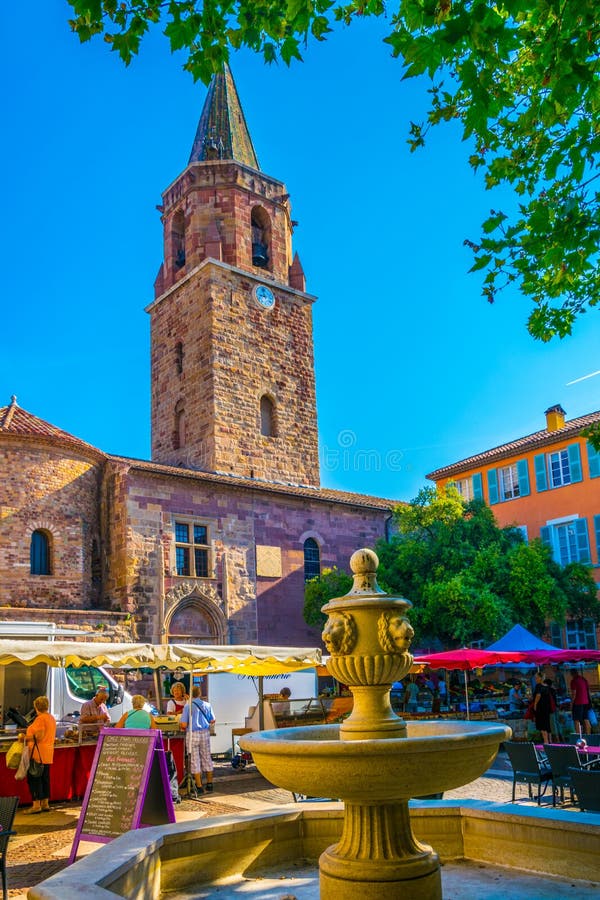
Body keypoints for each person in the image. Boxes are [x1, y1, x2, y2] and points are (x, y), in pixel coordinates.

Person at [19, 695, 56, 814]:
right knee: (45, 778)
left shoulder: (40, 719)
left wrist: (25, 737)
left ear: (36, 707)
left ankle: (36, 806)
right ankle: (45, 803)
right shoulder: (50, 718)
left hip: (37, 753)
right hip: (47, 753)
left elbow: (39, 735)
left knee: (35, 779)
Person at [179, 686, 215, 793]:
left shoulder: (187, 706)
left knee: (195, 759)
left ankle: (199, 787)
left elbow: (184, 724)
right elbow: (213, 720)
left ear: (190, 694)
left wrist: (181, 725)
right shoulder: (207, 705)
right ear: (199, 693)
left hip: (192, 734)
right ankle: (209, 784)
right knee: (207, 757)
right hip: (205, 733)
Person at [570, 669, 592, 737]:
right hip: (586, 702)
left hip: (578, 703)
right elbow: (589, 691)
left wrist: (571, 703)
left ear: (572, 674)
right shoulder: (584, 680)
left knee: (576, 720)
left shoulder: (574, 681)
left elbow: (574, 694)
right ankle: (589, 736)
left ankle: (578, 736)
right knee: (586, 719)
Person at [532, 673, 551, 744]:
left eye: (536, 678)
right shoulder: (547, 686)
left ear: (540, 678)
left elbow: (538, 695)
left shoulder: (538, 686)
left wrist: (535, 704)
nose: (535, 679)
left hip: (540, 708)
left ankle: (546, 742)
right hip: (546, 708)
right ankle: (547, 741)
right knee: (545, 725)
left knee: (542, 726)